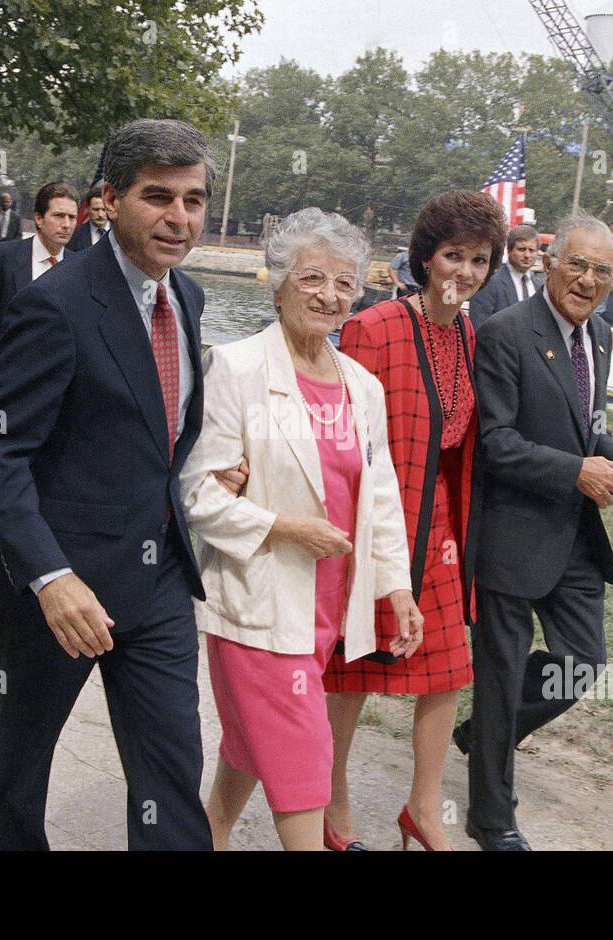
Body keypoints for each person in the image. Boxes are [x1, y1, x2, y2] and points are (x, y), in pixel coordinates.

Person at [0, 119, 220, 851]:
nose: (180, 218)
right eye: (159, 197)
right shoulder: (58, 303)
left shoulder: (193, 298)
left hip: (161, 584)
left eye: (195, 200)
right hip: (59, 591)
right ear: (108, 200)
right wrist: (49, 577)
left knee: (173, 775)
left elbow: (158, 434)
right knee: (21, 767)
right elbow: (0, 453)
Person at [181, 206, 423, 851]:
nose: (330, 295)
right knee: (305, 762)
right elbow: (198, 493)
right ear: (279, 280)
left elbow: (379, 494)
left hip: (330, 603)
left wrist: (395, 585)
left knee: (251, 748)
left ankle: (208, 837)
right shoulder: (236, 368)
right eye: (313, 278)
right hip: (260, 602)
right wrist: (286, 527)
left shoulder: (361, 386)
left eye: (345, 283)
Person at [459, 212, 613, 851]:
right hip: (513, 534)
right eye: (577, 264)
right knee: (500, 671)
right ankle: (491, 818)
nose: (588, 279)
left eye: (603, 270)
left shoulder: (598, 335)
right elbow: (494, 443)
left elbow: (587, 422)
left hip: (575, 536)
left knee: (582, 664)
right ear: (548, 262)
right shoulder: (504, 334)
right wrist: (577, 471)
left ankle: (481, 733)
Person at [322, 191, 505, 852]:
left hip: (443, 531)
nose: (465, 270)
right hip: (375, 527)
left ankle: (423, 810)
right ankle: (332, 808)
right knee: (353, 671)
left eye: (479, 259)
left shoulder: (468, 332)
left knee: (449, 672)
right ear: (426, 258)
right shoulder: (374, 328)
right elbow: (346, 447)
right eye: (453, 255)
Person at [0, 181, 78, 412]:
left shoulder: (79, 266)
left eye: (72, 218)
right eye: (59, 216)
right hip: (4, 380)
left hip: (55, 387)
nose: (66, 225)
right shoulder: (5, 257)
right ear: (39, 219)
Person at [467, 223, 544, 327]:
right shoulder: (489, 283)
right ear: (509, 251)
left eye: (531, 250)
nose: (527, 255)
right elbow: (479, 327)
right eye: (521, 249)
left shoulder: (540, 287)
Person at [66, 184, 110, 251]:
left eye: (104, 209)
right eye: (96, 209)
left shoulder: (120, 232)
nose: (100, 214)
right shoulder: (74, 235)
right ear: (88, 209)